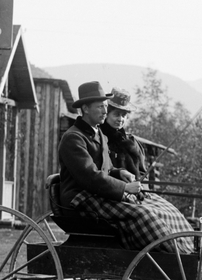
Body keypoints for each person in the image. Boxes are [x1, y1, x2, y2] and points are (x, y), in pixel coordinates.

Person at [57, 81, 192, 253]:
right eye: (100, 107)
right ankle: (174, 255)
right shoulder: (74, 138)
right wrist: (125, 188)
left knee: (162, 207)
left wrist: (120, 172)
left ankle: (188, 248)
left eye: (106, 106)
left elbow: (106, 168)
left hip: (98, 193)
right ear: (85, 108)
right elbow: (90, 176)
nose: (105, 111)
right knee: (143, 215)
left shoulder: (98, 134)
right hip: (81, 199)